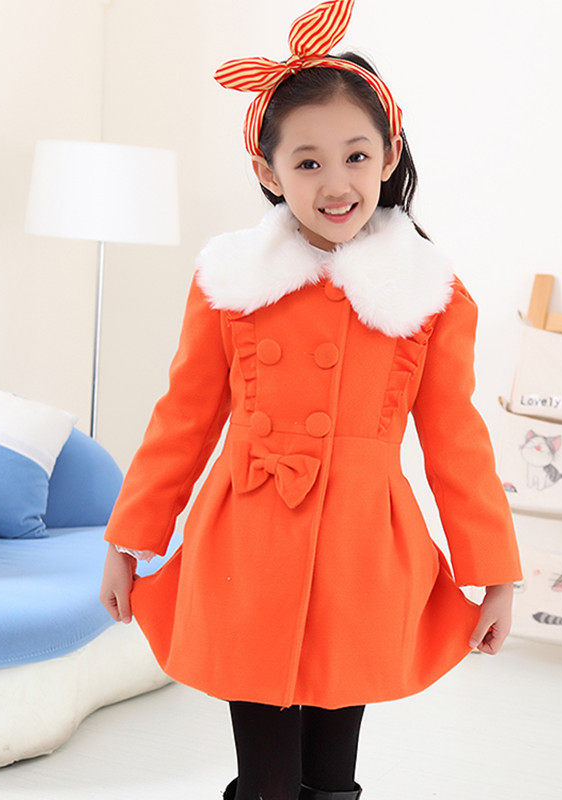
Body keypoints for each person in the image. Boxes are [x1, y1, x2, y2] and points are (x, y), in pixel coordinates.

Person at [99, 1, 523, 798]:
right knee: (266, 779)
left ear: (389, 153)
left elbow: (457, 442)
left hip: (364, 555)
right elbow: (183, 419)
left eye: (357, 155)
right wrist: (130, 538)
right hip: (245, 550)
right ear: (268, 173)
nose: (337, 184)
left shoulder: (429, 294)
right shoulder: (230, 284)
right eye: (307, 162)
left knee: (332, 775)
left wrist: (494, 572)